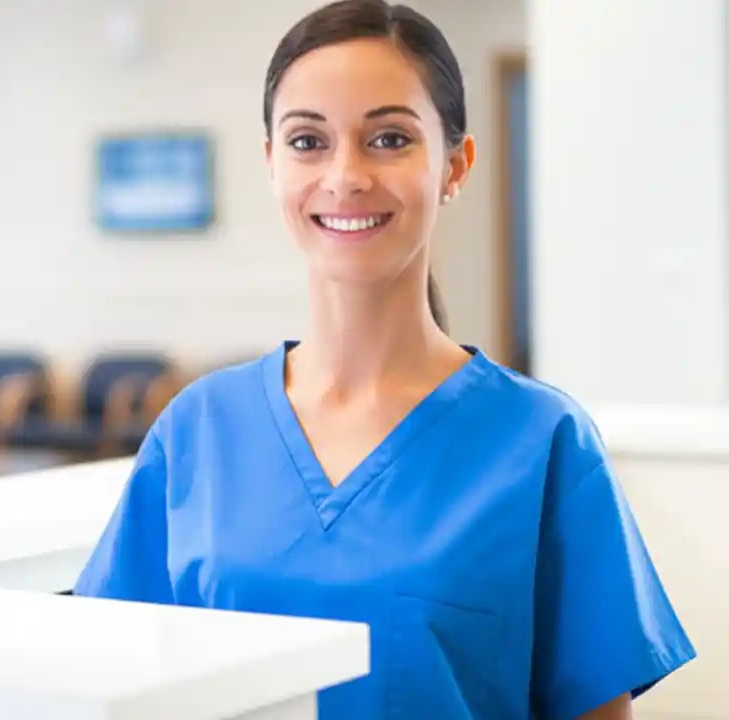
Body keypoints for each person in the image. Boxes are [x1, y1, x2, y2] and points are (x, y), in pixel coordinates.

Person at [71, 1, 695, 718]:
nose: (345, 175)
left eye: (389, 138)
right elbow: (114, 678)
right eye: (308, 141)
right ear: (272, 164)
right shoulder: (198, 431)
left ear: (455, 165)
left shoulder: (541, 442)